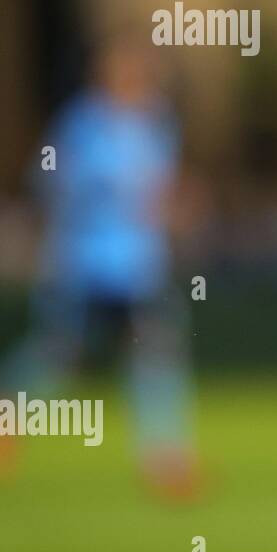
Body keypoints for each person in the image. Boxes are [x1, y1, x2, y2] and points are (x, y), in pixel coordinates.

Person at [0, 33, 199, 500]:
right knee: (62, 354)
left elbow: (162, 192)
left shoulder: (157, 123)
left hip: (140, 266)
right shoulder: (81, 124)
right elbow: (49, 183)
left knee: (156, 355)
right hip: (87, 263)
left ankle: (165, 459)